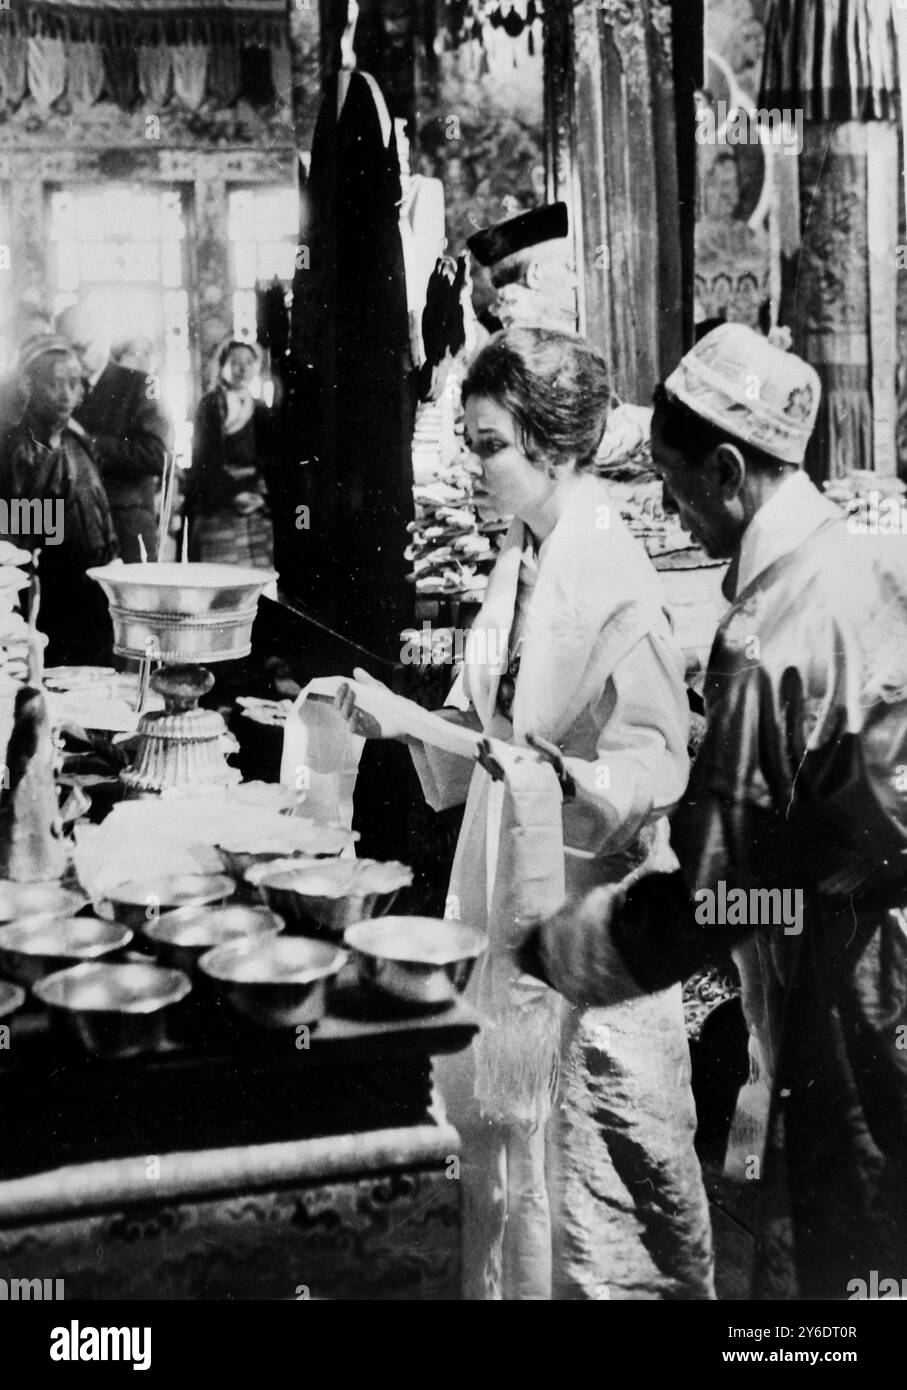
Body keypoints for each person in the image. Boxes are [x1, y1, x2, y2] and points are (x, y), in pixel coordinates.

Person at [522, 322, 907, 1300]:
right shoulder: (856, 565)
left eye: (671, 479)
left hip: (858, 983)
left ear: (729, 468)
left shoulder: (767, 632)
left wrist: (567, 948)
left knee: (835, 1258)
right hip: (874, 945)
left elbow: (721, 896)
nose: (665, 506)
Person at [335, 327, 713, 1300]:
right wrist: (415, 722)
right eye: (469, 443)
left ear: (551, 450)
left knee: (594, 1196)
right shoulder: (527, 552)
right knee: (510, 1182)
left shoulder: (609, 573)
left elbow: (644, 769)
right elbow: (500, 714)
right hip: (508, 890)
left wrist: (429, 724)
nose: (475, 466)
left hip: (591, 925)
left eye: (490, 444)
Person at [0, 335, 118, 665]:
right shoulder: (22, 449)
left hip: (92, 588)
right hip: (56, 596)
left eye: (73, 383)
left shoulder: (75, 439)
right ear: (29, 386)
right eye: (55, 384)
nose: (67, 394)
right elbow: (20, 534)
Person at [56, 303, 173, 563]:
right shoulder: (59, 389)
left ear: (103, 338)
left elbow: (159, 456)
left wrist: (88, 443)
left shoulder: (142, 384)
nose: (74, 360)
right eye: (66, 351)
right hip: (72, 536)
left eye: (80, 348)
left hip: (127, 530)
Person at [184, 339, 274, 569]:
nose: (242, 368)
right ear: (222, 365)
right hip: (219, 499)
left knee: (255, 574)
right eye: (235, 362)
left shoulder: (260, 408)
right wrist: (232, 493)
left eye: (249, 362)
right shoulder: (211, 404)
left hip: (254, 500)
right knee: (223, 575)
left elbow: (269, 457)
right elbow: (204, 459)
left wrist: (260, 492)